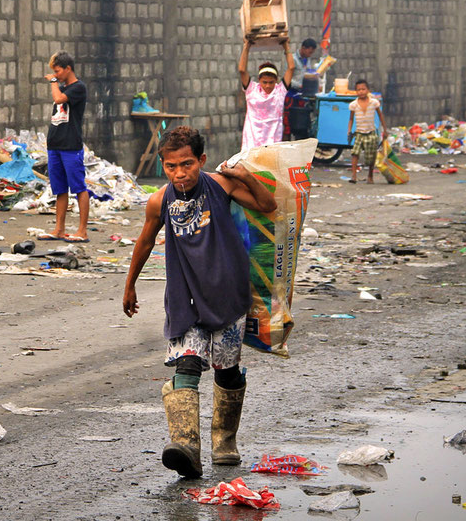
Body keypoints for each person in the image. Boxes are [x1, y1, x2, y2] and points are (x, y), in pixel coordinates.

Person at [122, 126, 276, 479]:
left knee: (227, 370)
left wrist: (245, 177)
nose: (180, 173)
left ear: (201, 160)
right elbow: (145, 242)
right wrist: (129, 285)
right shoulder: (159, 200)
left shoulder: (221, 186)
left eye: (187, 164)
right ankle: (186, 446)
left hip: (227, 293)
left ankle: (224, 442)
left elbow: (267, 207)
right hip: (184, 295)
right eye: (171, 166)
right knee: (187, 364)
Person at [39, 51, 89, 243]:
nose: (56, 75)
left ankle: (82, 231)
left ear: (68, 69)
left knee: (78, 187)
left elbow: (60, 100)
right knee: (60, 189)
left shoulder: (78, 88)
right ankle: (59, 229)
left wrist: (53, 82)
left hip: (71, 145)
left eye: (58, 71)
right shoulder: (61, 88)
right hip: (55, 145)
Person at [237, 37, 295, 150]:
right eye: (264, 82)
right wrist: (246, 46)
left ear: (276, 81)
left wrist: (286, 46)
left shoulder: (280, 91)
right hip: (252, 139)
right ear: (259, 80)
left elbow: (291, 68)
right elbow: (242, 70)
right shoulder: (251, 89)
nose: (268, 86)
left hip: (272, 140)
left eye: (271, 82)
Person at [347, 79, 387, 184]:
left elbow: (380, 116)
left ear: (368, 90)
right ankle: (354, 176)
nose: (361, 91)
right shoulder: (353, 105)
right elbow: (351, 119)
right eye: (358, 90)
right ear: (356, 91)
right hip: (359, 133)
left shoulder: (374, 103)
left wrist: (385, 130)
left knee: (371, 156)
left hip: (371, 132)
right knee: (355, 153)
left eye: (363, 89)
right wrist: (349, 130)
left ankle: (370, 175)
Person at [283, 38, 319, 140]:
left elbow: (306, 74)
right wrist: (300, 85)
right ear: (303, 48)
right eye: (309, 51)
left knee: (300, 125)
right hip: (290, 96)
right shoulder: (292, 59)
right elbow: (286, 78)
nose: (310, 54)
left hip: (301, 97)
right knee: (288, 125)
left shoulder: (307, 60)